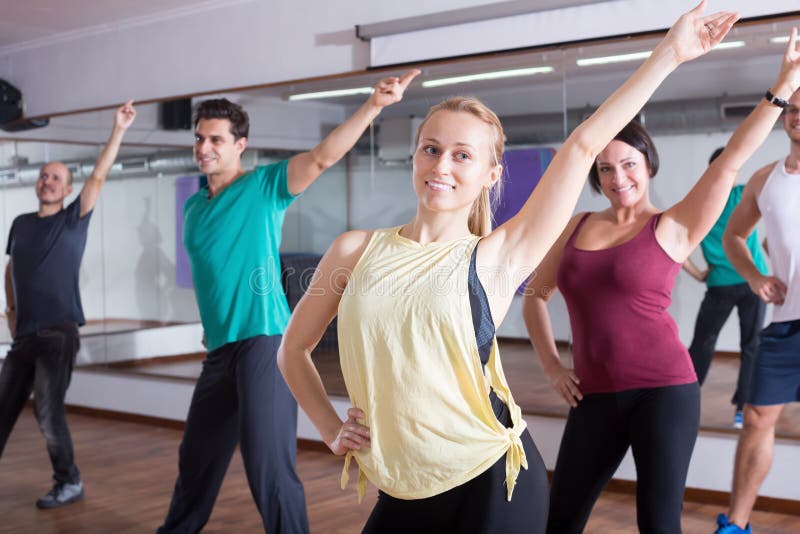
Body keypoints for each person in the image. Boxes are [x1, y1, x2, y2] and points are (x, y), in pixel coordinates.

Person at [278, 3, 737, 532]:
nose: (442, 165)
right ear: (414, 157)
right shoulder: (354, 251)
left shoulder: (496, 256)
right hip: (401, 484)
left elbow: (585, 142)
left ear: (491, 173)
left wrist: (670, 54)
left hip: (491, 480)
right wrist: (330, 428)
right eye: (431, 149)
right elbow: (293, 350)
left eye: (462, 155)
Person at [522, 24, 800, 534]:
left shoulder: (672, 225)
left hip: (665, 390)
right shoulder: (573, 226)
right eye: (604, 169)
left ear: (647, 164)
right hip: (595, 394)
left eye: (628, 164)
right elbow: (534, 298)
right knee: (559, 519)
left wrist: (783, 85)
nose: (617, 177)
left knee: (658, 524)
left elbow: (733, 157)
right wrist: (551, 367)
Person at [156, 71, 418, 534]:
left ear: (240, 145)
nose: (204, 147)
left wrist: (374, 105)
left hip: (263, 344)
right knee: (195, 458)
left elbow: (322, 157)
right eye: (199, 138)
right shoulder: (194, 206)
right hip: (219, 351)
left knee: (268, 468)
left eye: (216, 138)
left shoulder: (264, 187)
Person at [0, 101, 137, 508]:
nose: (47, 181)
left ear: (67, 187)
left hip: (59, 334)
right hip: (24, 335)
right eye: (43, 176)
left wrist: (118, 130)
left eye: (56, 177)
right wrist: (10, 311)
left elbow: (99, 174)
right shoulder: (21, 224)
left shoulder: (73, 220)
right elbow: (10, 271)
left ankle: (69, 481)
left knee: (46, 411)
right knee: (3, 410)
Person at [715, 35, 800, 534]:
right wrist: (754, 275)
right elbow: (733, 237)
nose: (797, 116)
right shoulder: (765, 180)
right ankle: (736, 525)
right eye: (793, 107)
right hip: (786, 325)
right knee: (757, 419)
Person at [682, 147, 768, 429]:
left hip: (733, 283)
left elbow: (680, 249)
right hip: (750, 280)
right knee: (749, 346)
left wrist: (698, 275)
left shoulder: (701, 203)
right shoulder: (742, 194)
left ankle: (686, 402)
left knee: (703, 345)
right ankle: (740, 409)